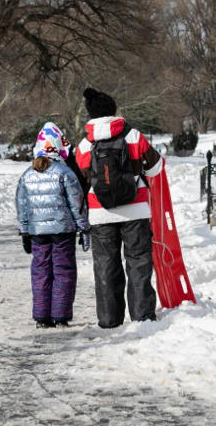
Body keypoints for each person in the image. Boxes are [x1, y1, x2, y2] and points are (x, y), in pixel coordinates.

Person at [75, 88, 163, 329]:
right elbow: (156, 167)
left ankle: (109, 319)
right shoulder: (133, 135)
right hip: (136, 210)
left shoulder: (85, 144)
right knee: (138, 262)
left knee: (105, 265)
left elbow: (83, 174)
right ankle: (142, 318)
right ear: (114, 110)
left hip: (100, 212)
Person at [16, 122, 90, 329]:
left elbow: (21, 207)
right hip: (63, 232)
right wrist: (84, 228)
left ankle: (42, 317)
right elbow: (77, 204)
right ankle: (60, 315)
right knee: (63, 271)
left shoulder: (27, 176)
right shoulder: (65, 172)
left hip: (38, 234)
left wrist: (24, 231)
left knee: (40, 272)